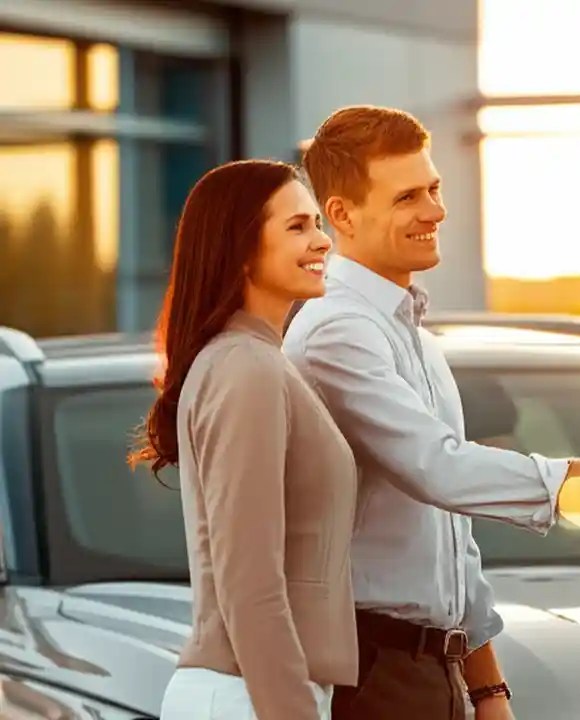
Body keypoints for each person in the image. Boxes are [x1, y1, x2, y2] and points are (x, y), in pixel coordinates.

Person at [282, 105, 580, 720]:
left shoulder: (412, 336)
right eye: (408, 196)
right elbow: (442, 470)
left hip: (435, 674)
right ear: (343, 215)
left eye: (433, 188)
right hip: (370, 678)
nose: (435, 211)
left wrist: (487, 688)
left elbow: (452, 537)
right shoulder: (337, 333)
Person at [129, 159, 357, 719]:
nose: (321, 240)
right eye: (297, 226)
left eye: (316, 224)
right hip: (248, 699)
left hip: (253, 695)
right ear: (242, 250)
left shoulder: (252, 361)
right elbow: (249, 581)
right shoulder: (245, 369)